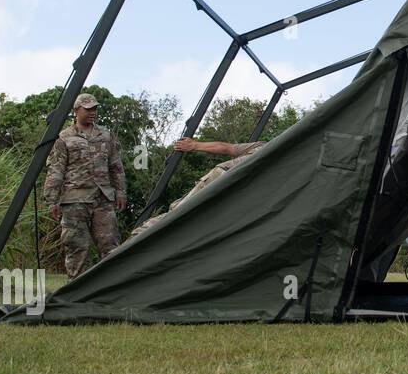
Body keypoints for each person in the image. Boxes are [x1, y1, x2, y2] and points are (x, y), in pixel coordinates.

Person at [43, 93, 125, 278]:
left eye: (95, 108)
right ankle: (76, 294)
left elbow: (115, 166)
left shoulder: (105, 135)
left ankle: (112, 288)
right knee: (77, 247)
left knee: (111, 246)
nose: (92, 112)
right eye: (88, 109)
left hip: (103, 199)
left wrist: (120, 192)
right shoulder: (63, 137)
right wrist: (52, 200)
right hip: (74, 201)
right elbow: (56, 170)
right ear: (76, 110)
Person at [131, 137, 264, 235]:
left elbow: (227, 148)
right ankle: (139, 236)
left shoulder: (265, 146)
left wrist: (195, 145)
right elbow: (227, 148)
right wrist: (194, 145)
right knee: (180, 213)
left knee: (185, 215)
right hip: (223, 180)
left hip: (226, 183)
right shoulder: (268, 147)